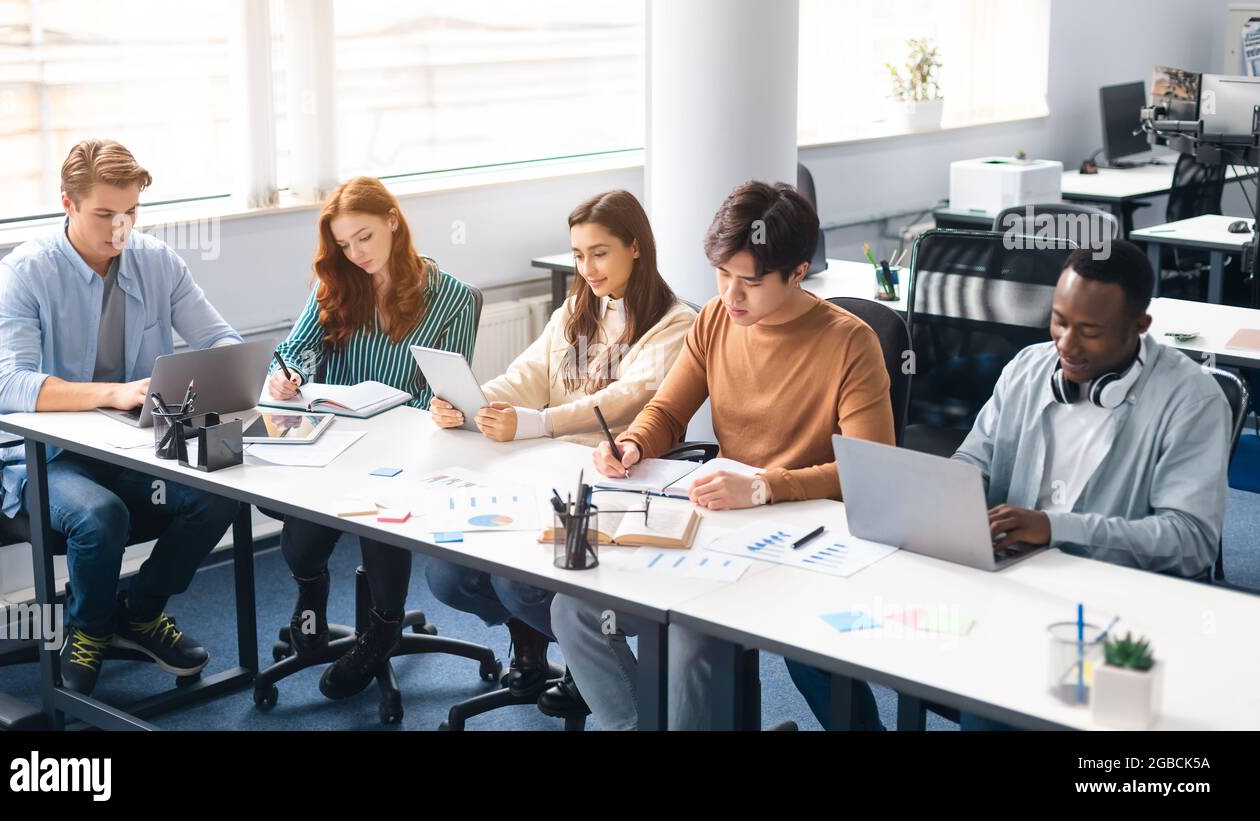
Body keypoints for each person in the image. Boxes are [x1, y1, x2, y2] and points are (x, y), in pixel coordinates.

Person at [789, 240, 1232, 731]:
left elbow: (1190, 539)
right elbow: (974, 459)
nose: (1066, 344)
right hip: (999, 579)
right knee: (808, 636)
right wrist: (945, 498)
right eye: (1060, 321)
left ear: (1139, 327)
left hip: (1098, 607)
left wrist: (1053, 527)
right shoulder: (1030, 367)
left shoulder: (1191, 400)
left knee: (989, 709)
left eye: (1091, 331)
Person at [550, 180, 896, 729]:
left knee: (689, 635)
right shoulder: (713, 320)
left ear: (798, 273)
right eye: (722, 275)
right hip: (721, 526)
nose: (731, 297)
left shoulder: (849, 343)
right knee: (574, 610)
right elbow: (666, 413)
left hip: (803, 535)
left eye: (750, 283)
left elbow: (871, 471)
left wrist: (763, 486)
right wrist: (634, 442)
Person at [0, 139, 243, 695]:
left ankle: (141, 610)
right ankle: (89, 629)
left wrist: (251, 375)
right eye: (104, 214)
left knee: (222, 489)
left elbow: (220, 340)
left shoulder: (156, 262)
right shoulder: (26, 271)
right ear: (68, 204)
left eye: (130, 213)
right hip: (47, 459)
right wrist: (113, 393)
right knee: (100, 516)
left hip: (132, 448)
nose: (119, 228)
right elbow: (7, 386)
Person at [425, 190, 695, 713]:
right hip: (539, 475)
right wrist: (472, 403)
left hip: (608, 485)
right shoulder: (576, 309)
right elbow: (527, 376)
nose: (587, 267)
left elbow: (626, 400)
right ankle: (537, 642)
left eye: (600, 252)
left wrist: (538, 423)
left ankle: (593, 668)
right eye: (577, 254)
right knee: (449, 575)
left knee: (514, 582)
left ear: (635, 247)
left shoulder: (674, 322)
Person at [265, 176, 478, 700]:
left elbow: (453, 389)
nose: (356, 253)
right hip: (333, 437)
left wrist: (444, 408)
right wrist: (286, 375)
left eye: (364, 237)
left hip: (404, 451)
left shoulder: (450, 297)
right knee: (302, 531)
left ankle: (382, 630)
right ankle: (310, 594)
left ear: (392, 221)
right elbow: (292, 353)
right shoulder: (336, 286)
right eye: (343, 244)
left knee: (384, 512)